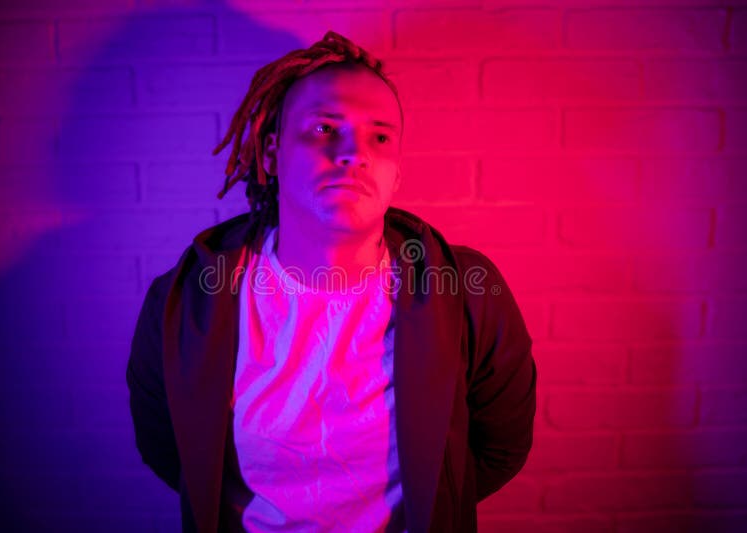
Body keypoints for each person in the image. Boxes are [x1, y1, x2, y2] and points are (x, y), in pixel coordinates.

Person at [127, 30, 537, 533]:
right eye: (324, 129)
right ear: (272, 154)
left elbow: (498, 449)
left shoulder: (467, 292)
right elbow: (174, 451)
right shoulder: (186, 302)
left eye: (380, 137)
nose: (353, 154)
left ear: (397, 173)